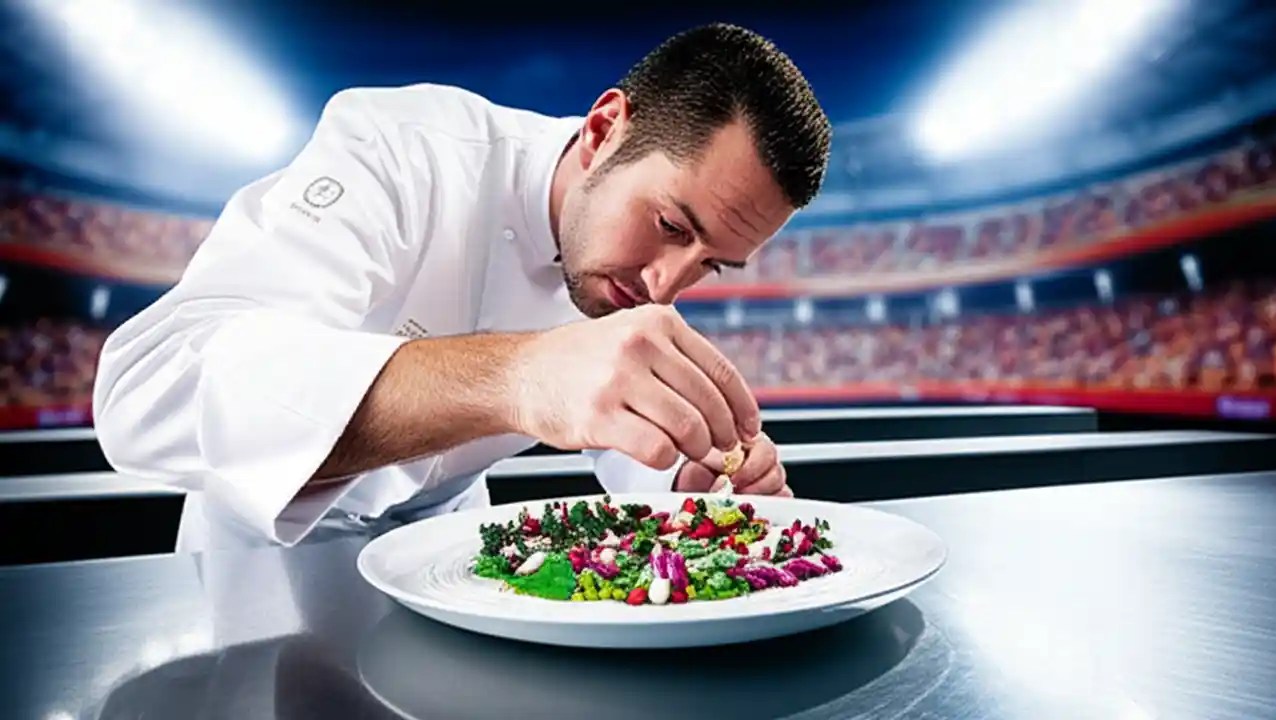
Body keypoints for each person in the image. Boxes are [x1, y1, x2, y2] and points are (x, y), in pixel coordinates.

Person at [92, 23, 832, 553]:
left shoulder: (622, 279)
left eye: (712, 264)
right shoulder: (401, 149)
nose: (666, 284)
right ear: (604, 129)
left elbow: (632, 438)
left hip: (446, 556)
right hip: (258, 555)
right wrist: (518, 377)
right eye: (670, 224)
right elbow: (147, 395)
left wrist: (689, 478)